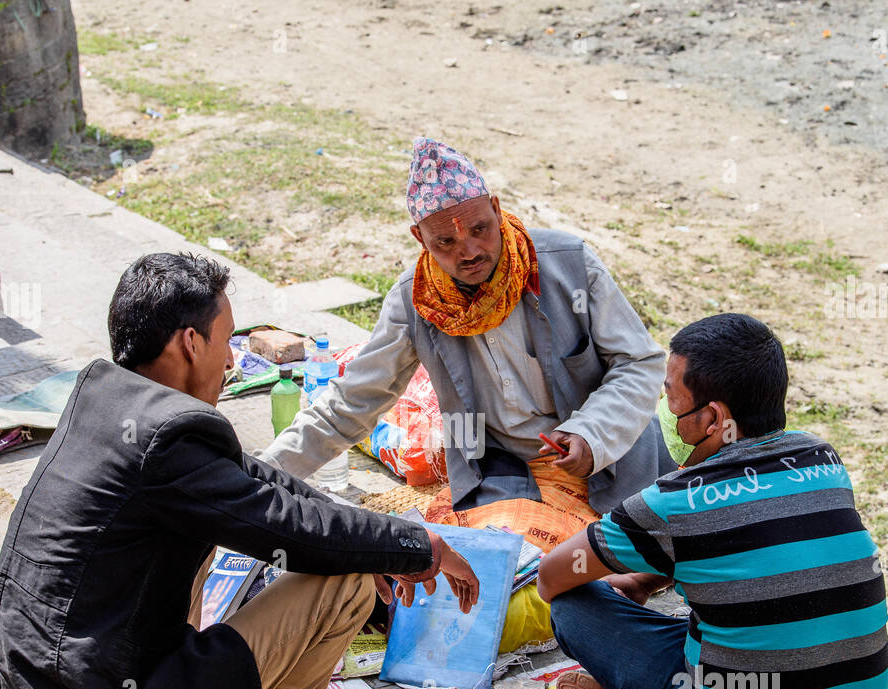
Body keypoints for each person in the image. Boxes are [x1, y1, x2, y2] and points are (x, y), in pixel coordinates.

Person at [0, 252, 479, 689]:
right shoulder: (170, 437)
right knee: (346, 577)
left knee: (238, 532)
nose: (229, 359)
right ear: (190, 342)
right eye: (224, 339)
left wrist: (395, 540)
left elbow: (257, 484)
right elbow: (290, 530)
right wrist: (422, 548)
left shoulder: (106, 393)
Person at [537, 313, 888, 689]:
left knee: (574, 609)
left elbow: (552, 576)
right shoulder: (822, 458)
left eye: (671, 395)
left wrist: (629, 578)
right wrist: (647, 579)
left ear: (712, 419)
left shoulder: (674, 500)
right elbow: (760, 549)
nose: (664, 407)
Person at [262, 137, 672, 554]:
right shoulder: (415, 301)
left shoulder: (570, 264)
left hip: (607, 459)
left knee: (603, 571)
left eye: (480, 230)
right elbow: (349, 405)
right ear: (419, 238)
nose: (470, 251)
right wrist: (258, 477)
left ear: (496, 209)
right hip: (500, 470)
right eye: (446, 242)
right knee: (487, 574)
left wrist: (591, 433)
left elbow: (640, 363)